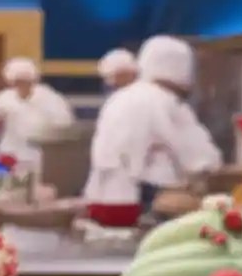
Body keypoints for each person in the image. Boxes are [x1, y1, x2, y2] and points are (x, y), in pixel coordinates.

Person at [83, 35, 221, 227]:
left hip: (98, 202)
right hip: (139, 206)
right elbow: (200, 160)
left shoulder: (120, 98)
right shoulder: (168, 103)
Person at [0, 58, 75, 171]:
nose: (21, 85)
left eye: (24, 81)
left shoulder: (50, 98)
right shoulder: (3, 98)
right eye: (17, 82)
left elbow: (65, 125)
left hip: (40, 156)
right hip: (10, 154)